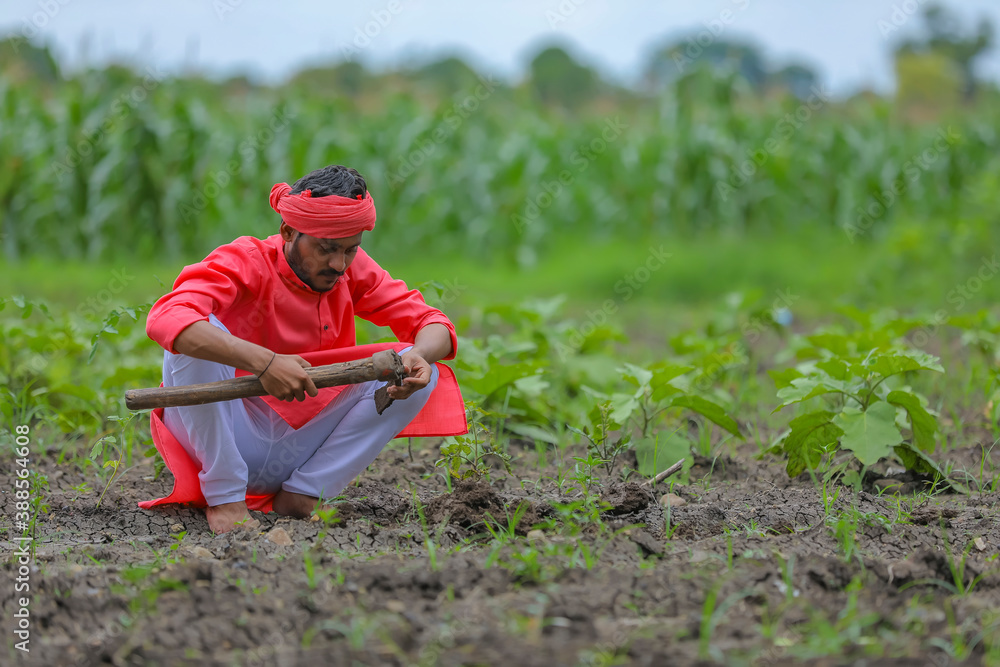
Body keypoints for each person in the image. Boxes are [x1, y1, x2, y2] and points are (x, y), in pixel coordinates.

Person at [140, 165, 466, 533]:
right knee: (192, 336)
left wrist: (419, 355)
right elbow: (168, 316)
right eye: (326, 249)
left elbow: (432, 322)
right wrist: (264, 363)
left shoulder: (350, 270)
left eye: (350, 250)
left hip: (301, 449)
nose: (338, 265)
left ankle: (304, 493)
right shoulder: (246, 259)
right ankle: (226, 499)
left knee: (423, 367)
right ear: (288, 232)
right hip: (231, 435)